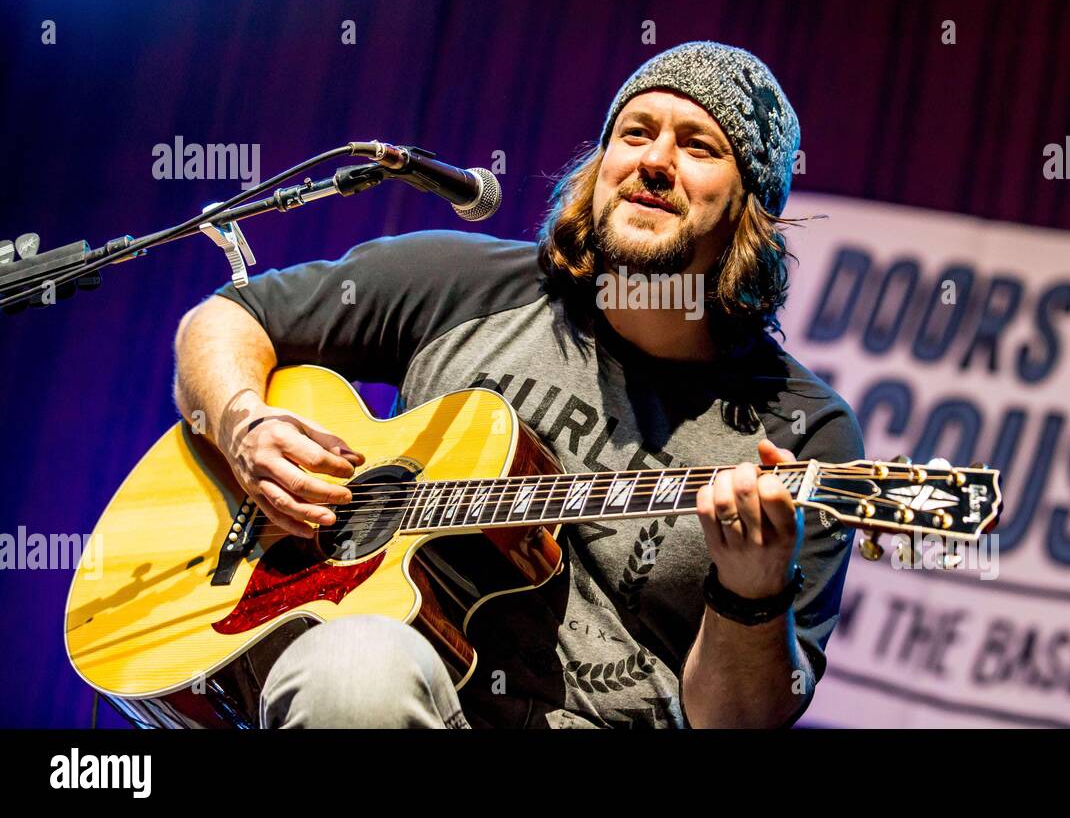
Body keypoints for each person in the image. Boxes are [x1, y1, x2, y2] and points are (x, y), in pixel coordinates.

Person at [173, 40, 865, 729]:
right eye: (635, 133)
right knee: (355, 668)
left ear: (749, 207)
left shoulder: (802, 430)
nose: (654, 160)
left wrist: (751, 592)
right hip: (386, 683)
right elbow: (228, 318)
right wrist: (244, 425)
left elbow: (739, 721)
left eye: (698, 146)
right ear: (601, 166)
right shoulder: (461, 283)